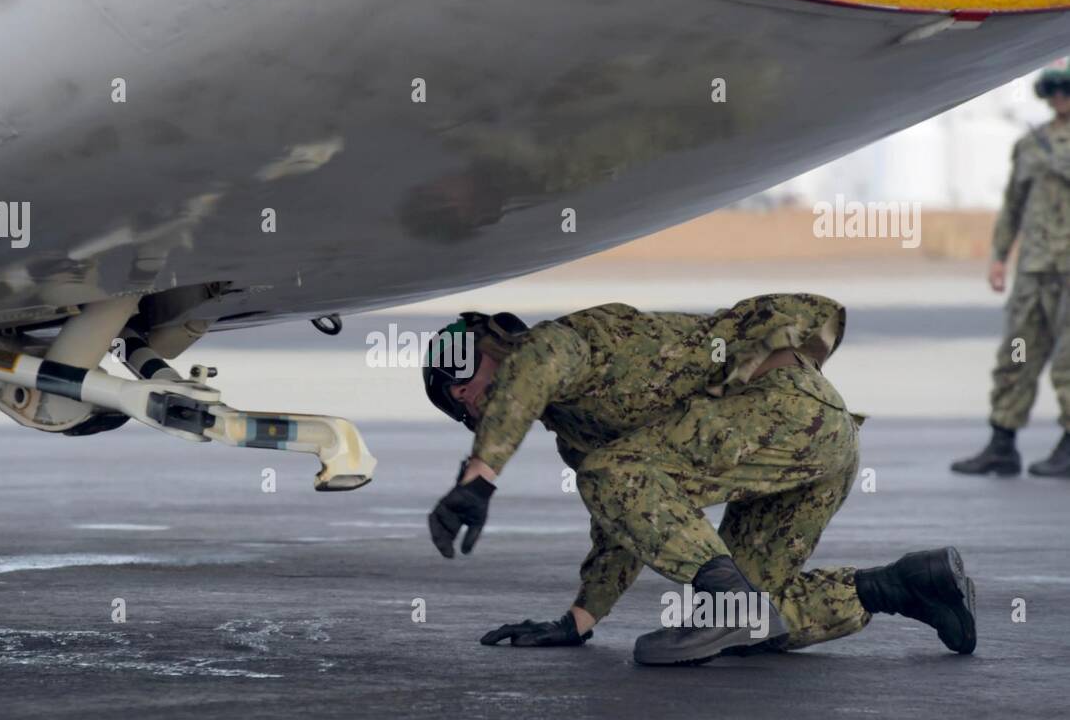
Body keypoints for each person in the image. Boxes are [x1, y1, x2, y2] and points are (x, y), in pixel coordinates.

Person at [422, 296, 977, 665]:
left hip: (784, 410)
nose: (464, 397)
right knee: (749, 619)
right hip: (812, 448)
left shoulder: (567, 343)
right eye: (454, 403)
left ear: (494, 345)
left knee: (611, 475)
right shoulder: (580, 435)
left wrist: (481, 475)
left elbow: (534, 372)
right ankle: (908, 585)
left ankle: (729, 596)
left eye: (461, 375)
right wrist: (578, 620)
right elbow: (625, 522)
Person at [952, 63, 1070, 478]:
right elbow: (1012, 206)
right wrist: (1000, 257)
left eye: (1066, 89)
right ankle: (1002, 442)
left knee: (1068, 363)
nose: (1060, 96)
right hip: (1035, 270)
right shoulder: (1031, 145)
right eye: (1053, 88)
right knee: (1017, 353)